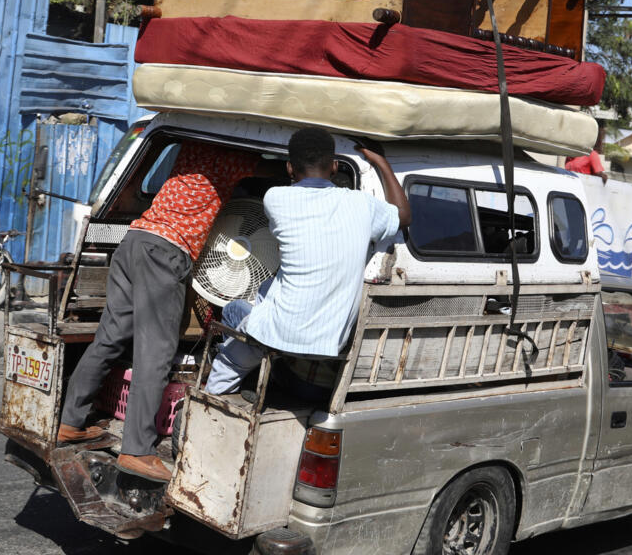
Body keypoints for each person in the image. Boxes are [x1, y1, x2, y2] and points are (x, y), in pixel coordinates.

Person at [59, 142, 261, 483]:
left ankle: (70, 422)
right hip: (166, 251)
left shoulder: (188, 151)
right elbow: (273, 177)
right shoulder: (238, 157)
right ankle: (137, 450)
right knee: (156, 353)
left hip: (134, 239)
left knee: (109, 338)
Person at [204, 128, 411, 395]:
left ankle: (215, 393)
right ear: (335, 167)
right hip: (330, 341)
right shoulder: (363, 204)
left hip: (278, 334)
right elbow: (404, 216)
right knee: (267, 292)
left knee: (233, 311)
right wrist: (381, 163)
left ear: (290, 168)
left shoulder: (275, 198)